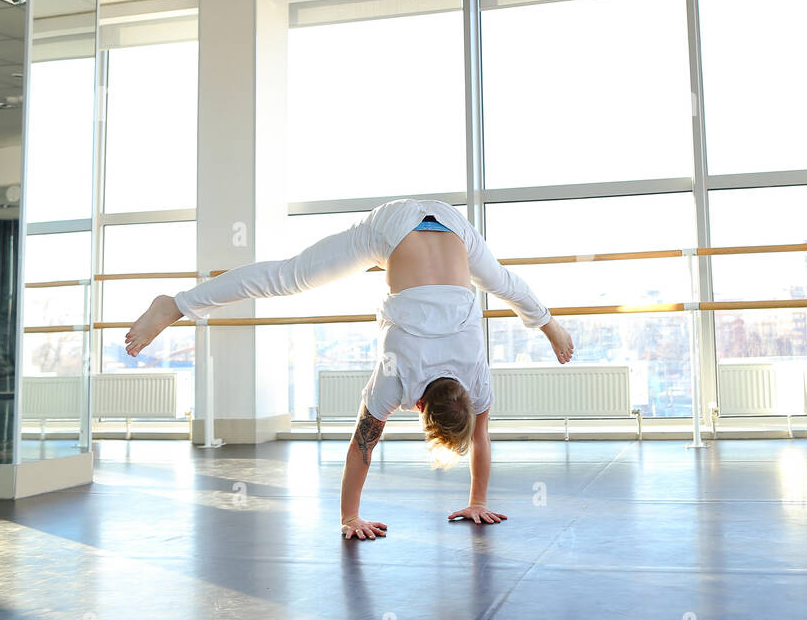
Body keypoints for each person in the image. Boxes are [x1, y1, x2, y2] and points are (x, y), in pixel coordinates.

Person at [123, 198, 574, 541]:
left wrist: (479, 501)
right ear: (418, 407)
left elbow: (479, 434)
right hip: (393, 229)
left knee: (501, 283)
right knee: (289, 278)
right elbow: (362, 448)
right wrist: (349, 518)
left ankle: (550, 324)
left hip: (450, 224)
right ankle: (175, 306)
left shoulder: (474, 373)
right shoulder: (396, 377)